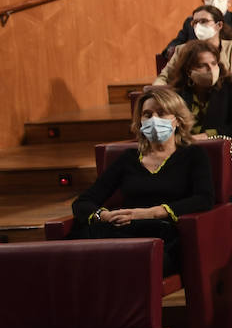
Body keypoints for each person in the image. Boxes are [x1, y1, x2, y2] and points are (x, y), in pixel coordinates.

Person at [72, 87, 213, 276]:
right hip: (122, 234)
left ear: (177, 120)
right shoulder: (128, 158)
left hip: (162, 235)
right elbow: (83, 202)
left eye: (161, 113)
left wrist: (150, 213)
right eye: (147, 114)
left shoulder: (193, 155)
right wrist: (104, 216)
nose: (154, 119)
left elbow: (203, 199)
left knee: (118, 264)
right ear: (140, 122)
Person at [166, 40, 232, 139]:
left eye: (214, 63)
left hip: (215, 146)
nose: (211, 69)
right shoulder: (177, 92)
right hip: (184, 147)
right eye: (203, 66)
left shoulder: (229, 87)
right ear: (188, 70)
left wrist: (208, 135)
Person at [156, 5, 232, 87]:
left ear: (219, 25)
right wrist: (157, 92)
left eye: (204, 21)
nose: (198, 26)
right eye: (195, 23)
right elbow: (164, 77)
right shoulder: (182, 49)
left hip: (223, 97)